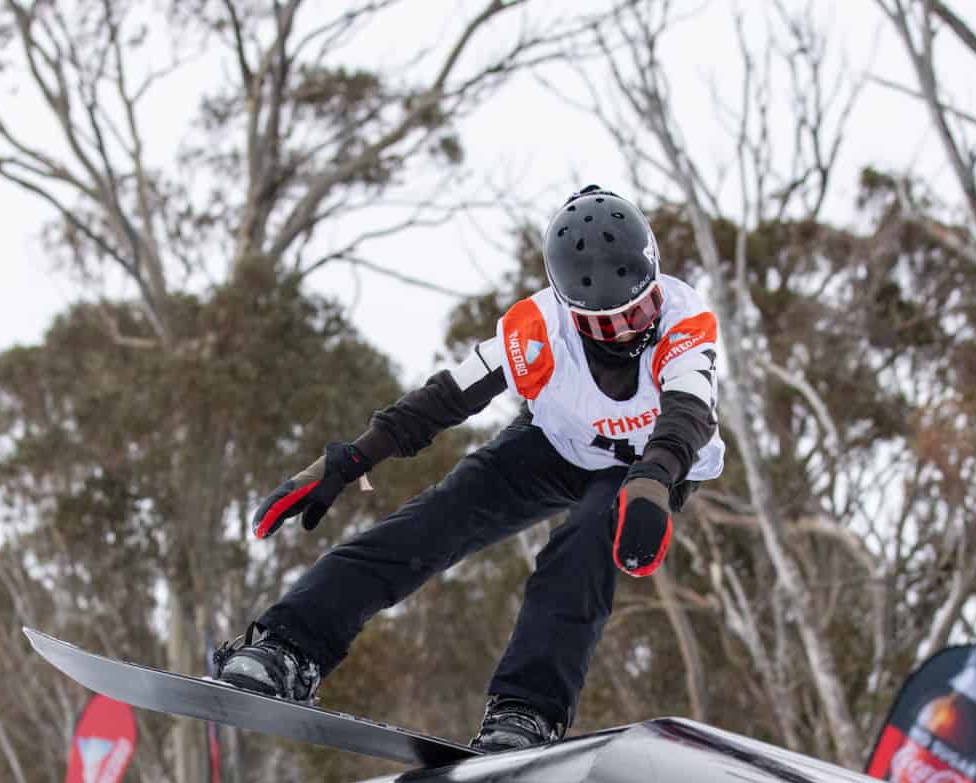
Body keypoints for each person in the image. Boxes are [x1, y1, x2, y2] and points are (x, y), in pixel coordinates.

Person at [214, 185, 724, 751]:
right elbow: (443, 400)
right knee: (434, 520)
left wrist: (654, 480)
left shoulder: (684, 319)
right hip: (555, 444)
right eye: (608, 324)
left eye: (640, 308)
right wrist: (352, 458)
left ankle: (526, 712)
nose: (630, 330)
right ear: (572, 314)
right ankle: (288, 647)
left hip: (651, 464)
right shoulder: (536, 329)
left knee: (582, 545)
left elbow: (687, 413)